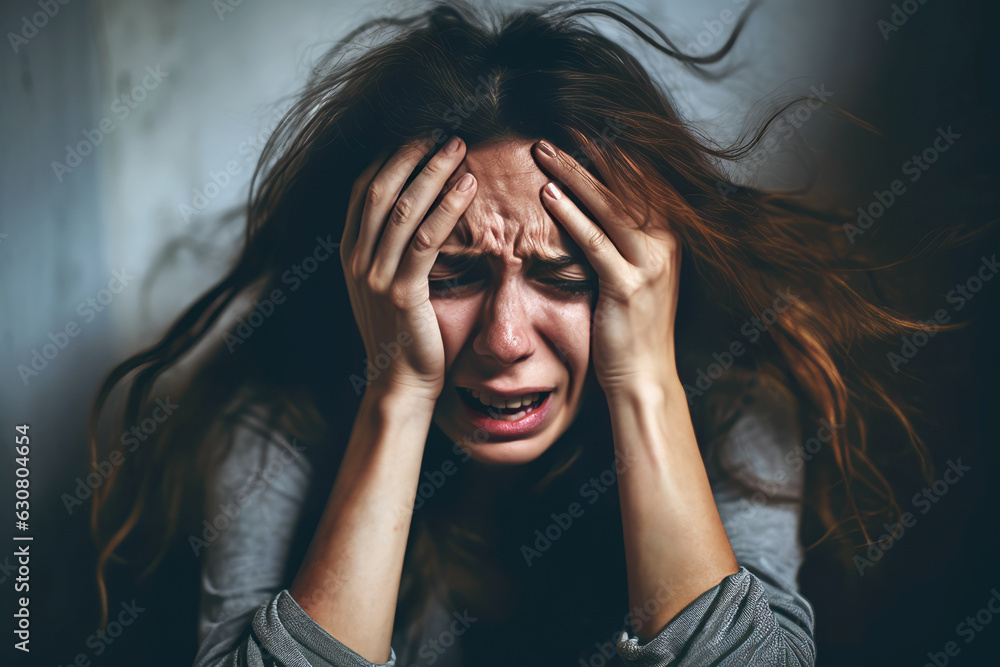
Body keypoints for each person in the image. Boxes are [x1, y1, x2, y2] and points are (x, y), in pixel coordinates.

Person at [88, 2, 928, 665]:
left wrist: (644, 387)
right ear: (367, 272)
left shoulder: (733, 413)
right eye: (449, 275)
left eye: (565, 277)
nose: (504, 338)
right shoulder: (279, 422)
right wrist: (398, 394)